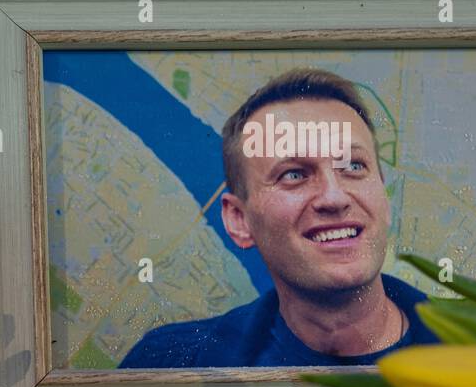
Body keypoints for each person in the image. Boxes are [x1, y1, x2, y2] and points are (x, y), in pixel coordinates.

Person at [120, 68, 437, 367]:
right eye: (295, 174)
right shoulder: (170, 363)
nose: (334, 197)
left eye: (354, 167)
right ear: (239, 220)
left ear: (382, 191)